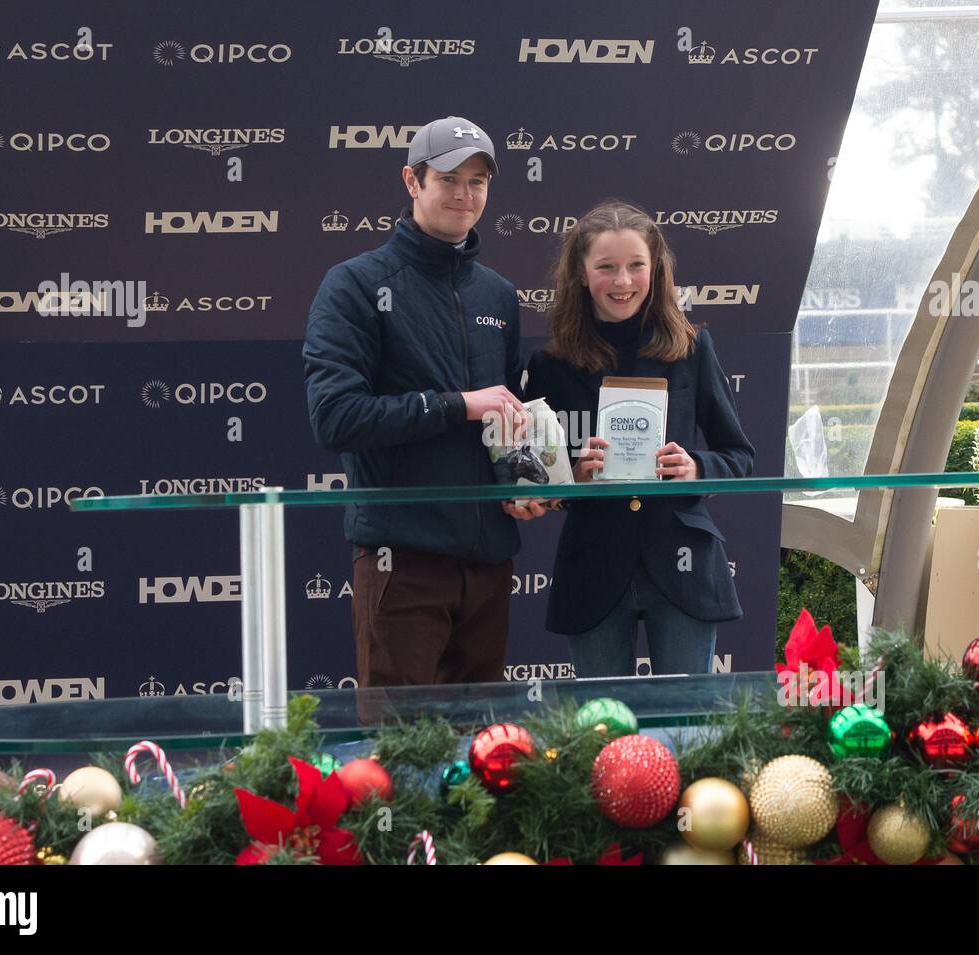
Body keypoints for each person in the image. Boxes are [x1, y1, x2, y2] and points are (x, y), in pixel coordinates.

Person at [303, 116, 546, 688]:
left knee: (484, 758)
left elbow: (510, 419)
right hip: (401, 562)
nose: (465, 195)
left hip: (490, 564)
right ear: (412, 181)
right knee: (400, 757)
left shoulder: (499, 294)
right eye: (449, 179)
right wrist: (458, 404)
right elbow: (335, 417)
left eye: (479, 181)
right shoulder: (354, 284)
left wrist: (525, 483)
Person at [523, 200, 755, 677]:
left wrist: (696, 469)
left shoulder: (692, 347)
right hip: (593, 567)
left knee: (688, 724)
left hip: (684, 567)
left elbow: (738, 455)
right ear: (581, 275)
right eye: (606, 267)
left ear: (656, 270)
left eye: (635, 266)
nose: (623, 281)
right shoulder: (550, 365)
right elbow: (539, 473)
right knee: (601, 725)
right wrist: (574, 478)